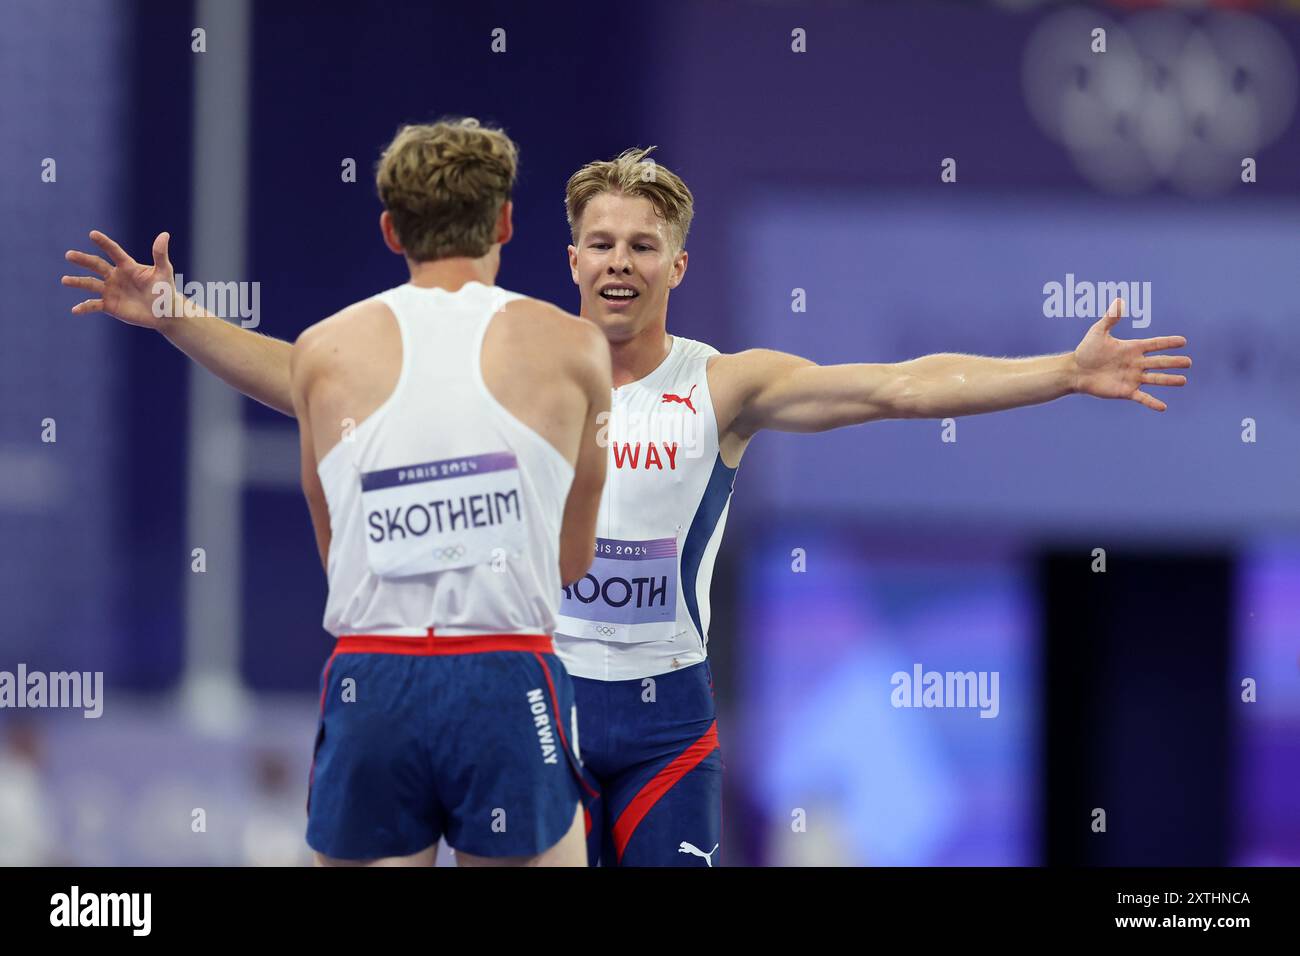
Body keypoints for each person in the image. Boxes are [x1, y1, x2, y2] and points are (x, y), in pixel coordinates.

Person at [62, 145, 1190, 867]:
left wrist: (1060, 369)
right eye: (599, 242)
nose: (617, 262)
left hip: (663, 728)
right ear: (564, 254)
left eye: (641, 247)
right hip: (532, 704)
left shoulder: (724, 384)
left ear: (675, 267)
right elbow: (296, 372)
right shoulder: (512, 366)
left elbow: (895, 387)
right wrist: (175, 315)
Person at [65, 118, 611, 866]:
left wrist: (175, 315)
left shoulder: (326, 353)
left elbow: (331, 536)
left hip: (373, 678)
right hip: (505, 674)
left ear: (391, 230)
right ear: (508, 221)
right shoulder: (574, 345)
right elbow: (572, 560)